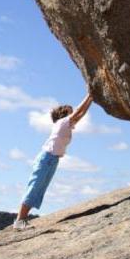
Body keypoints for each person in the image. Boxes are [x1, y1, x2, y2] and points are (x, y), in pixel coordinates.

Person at [13, 91, 93, 230]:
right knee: (35, 186)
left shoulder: (66, 124)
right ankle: (19, 220)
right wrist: (89, 95)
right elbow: (79, 111)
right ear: (64, 115)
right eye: (70, 112)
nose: (73, 115)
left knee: (39, 189)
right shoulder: (62, 122)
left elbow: (81, 114)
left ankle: (23, 219)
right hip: (47, 158)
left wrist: (92, 98)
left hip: (52, 160)